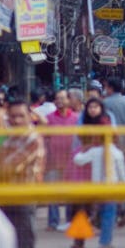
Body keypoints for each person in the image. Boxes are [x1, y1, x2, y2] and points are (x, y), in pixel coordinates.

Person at [0, 100, 45, 248]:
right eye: (13, 116)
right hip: (4, 197)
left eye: (21, 116)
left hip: (23, 198)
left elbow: (7, 167)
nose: (17, 120)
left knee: (23, 247)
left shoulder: (32, 138)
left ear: (30, 116)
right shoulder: (8, 135)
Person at [73, 108, 125, 248]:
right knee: (109, 216)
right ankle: (104, 244)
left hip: (97, 189)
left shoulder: (94, 151)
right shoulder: (117, 153)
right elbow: (122, 175)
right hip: (112, 188)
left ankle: (104, 241)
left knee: (103, 215)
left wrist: (84, 149)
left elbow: (77, 160)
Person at [45, 90, 77, 232]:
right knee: (53, 193)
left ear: (69, 101)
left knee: (71, 193)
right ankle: (53, 222)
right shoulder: (48, 118)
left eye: (62, 98)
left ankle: (70, 221)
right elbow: (44, 138)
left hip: (71, 162)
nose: (59, 101)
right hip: (53, 161)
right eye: (57, 98)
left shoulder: (76, 118)